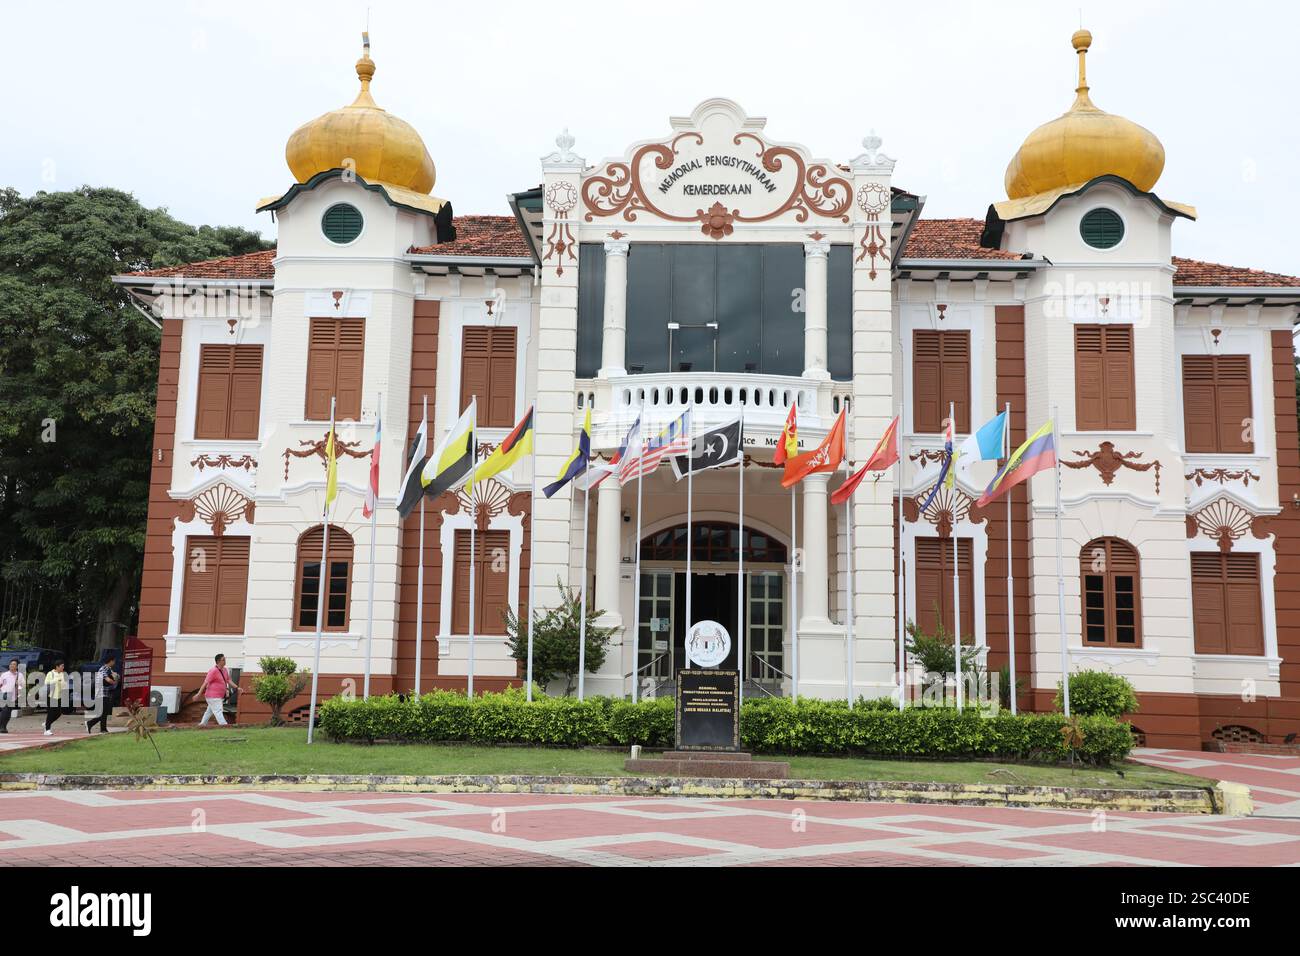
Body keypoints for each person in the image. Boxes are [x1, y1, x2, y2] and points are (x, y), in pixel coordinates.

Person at [190, 653, 234, 726]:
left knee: (209, 711)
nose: (225, 661)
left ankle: (202, 724)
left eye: (225, 659)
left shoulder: (225, 670)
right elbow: (205, 683)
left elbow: (228, 680)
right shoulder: (213, 671)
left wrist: (237, 687)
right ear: (218, 661)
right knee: (218, 711)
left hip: (219, 696)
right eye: (223, 660)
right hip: (212, 696)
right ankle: (224, 725)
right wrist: (198, 694)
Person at [85, 653, 120, 734]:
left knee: (105, 712)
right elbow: (109, 680)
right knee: (103, 712)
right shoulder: (103, 669)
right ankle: (93, 724)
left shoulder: (109, 669)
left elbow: (116, 676)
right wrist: (114, 681)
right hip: (100, 694)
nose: (114, 662)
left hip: (106, 693)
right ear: (110, 661)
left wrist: (115, 678)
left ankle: (101, 728)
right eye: (114, 661)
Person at [43, 660, 68, 736]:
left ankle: (47, 723)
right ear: (57, 666)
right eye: (62, 666)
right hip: (51, 696)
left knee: (58, 713)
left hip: (59, 696)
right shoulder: (50, 673)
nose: (63, 667)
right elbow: (46, 683)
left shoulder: (63, 674)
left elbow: (64, 685)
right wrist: (56, 680)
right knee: (51, 713)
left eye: (63, 666)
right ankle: (47, 730)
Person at [0, 659, 20, 733]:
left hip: (12, 697)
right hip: (4, 695)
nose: (12, 665)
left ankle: (4, 727)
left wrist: (19, 685)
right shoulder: (4, 674)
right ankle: (1, 727)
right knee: (4, 711)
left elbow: (22, 686)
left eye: (14, 664)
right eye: (11, 664)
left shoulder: (19, 675)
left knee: (8, 713)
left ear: (17, 666)